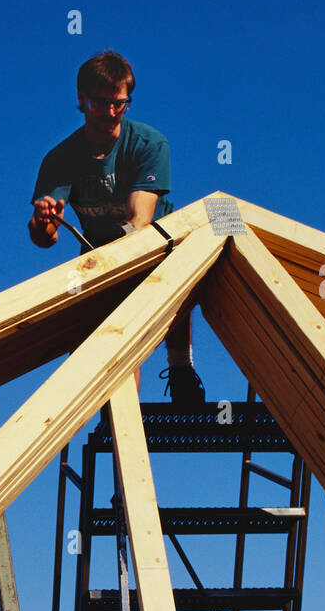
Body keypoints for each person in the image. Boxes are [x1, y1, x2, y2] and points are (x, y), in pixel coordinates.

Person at [27, 50, 204, 406]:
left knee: (188, 259)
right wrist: (44, 222)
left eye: (119, 104)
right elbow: (43, 240)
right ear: (81, 99)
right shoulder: (61, 159)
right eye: (99, 103)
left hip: (153, 241)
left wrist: (123, 254)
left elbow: (140, 219)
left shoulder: (149, 144)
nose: (110, 112)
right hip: (98, 250)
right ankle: (122, 414)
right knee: (114, 336)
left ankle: (181, 366)